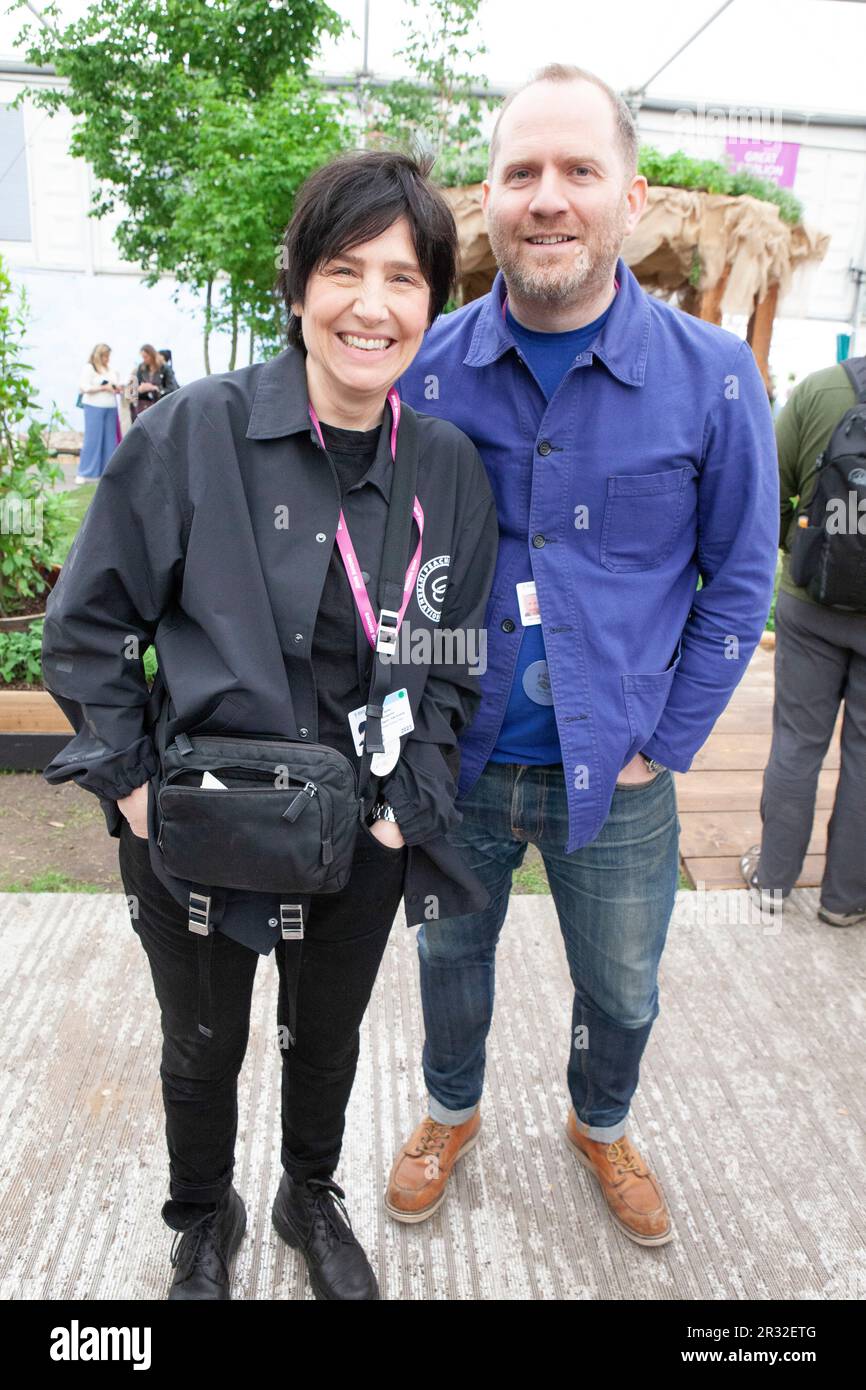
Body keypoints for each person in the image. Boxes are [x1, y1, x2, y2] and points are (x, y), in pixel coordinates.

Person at [41, 149, 499, 1301]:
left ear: (430, 306)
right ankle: (204, 1214)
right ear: (295, 284)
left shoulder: (444, 470)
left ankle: (308, 1192)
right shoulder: (195, 432)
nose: (371, 304)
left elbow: (449, 659)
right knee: (201, 1045)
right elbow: (87, 625)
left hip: (360, 835)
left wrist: (408, 807)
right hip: (197, 827)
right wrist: (137, 791)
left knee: (324, 1037)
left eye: (403, 279)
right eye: (344, 270)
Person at [384, 63, 779, 1246]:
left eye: (576, 171)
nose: (545, 198)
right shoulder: (429, 367)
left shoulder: (712, 380)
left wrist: (664, 743)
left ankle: (599, 1120)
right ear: (488, 198)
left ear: (629, 197)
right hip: (455, 765)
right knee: (449, 957)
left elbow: (739, 581)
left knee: (622, 985)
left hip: (618, 773)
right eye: (520, 173)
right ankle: (451, 1109)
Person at [741, 355, 866, 926]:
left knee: (797, 741)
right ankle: (845, 901)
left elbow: (773, 484)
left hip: (811, 600)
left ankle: (772, 882)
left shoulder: (820, 388)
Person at [76, 343, 122, 482]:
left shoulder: (110, 369)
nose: (108, 358)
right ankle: (85, 472)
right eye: (106, 356)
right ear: (99, 355)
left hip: (111, 406)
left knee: (110, 441)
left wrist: (116, 388)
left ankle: (106, 472)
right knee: (92, 440)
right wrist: (103, 388)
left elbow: (114, 385)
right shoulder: (89, 368)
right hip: (94, 406)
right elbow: (83, 387)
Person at [131, 344, 179, 420]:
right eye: (143, 357)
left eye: (146, 357)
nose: (144, 359)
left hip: (162, 406)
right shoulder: (142, 368)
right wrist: (140, 389)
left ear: (152, 355)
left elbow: (173, 389)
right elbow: (134, 389)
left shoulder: (165, 368)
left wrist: (155, 388)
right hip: (145, 408)